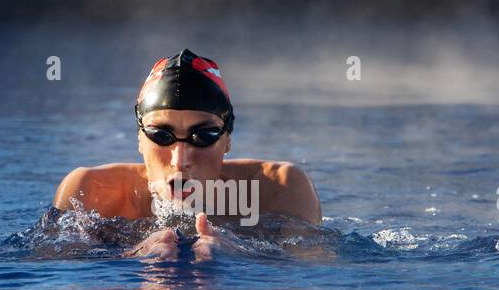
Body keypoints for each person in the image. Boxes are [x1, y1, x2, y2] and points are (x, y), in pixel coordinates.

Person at [52, 49, 321, 260]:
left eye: (203, 137)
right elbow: (50, 269)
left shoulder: (281, 189)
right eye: (161, 136)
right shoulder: (90, 191)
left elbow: (314, 276)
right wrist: (131, 255)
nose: (180, 161)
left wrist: (239, 254)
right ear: (140, 139)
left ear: (227, 140)